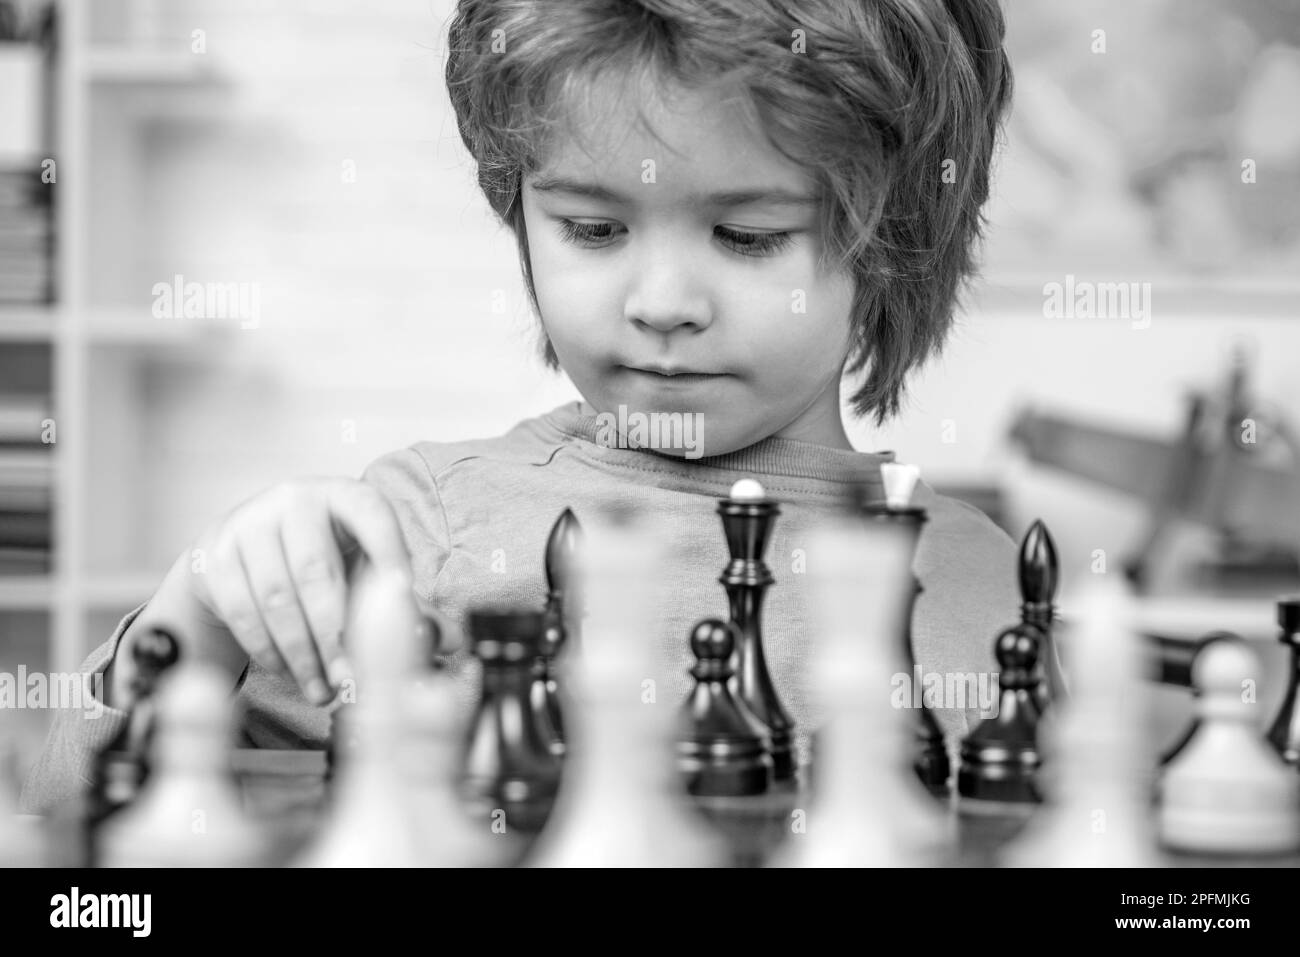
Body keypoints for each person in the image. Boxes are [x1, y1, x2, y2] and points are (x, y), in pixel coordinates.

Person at [22, 0, 1016, 813]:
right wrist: (203, 605)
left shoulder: (990, 585)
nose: (659, 302)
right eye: (592, 227)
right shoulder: (416, 526)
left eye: (747, 236)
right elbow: (65, 806)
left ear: (895, 239)